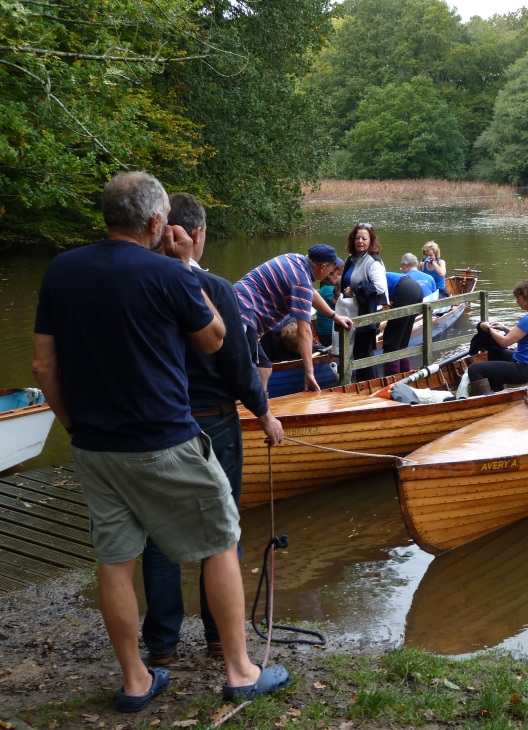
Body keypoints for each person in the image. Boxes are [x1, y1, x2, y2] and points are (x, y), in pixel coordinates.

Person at [32, 171, 289, 712]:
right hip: (166, 440)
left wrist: (74, 426)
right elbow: (216, 338)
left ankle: (136, 681)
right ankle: (241, 670)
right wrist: (183, 267)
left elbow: (44, 365)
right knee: (221, 540)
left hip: (94, 447)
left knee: (116, 558)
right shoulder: (169, 273)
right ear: (155, 222)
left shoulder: (62, 270)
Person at [140, 192, 284, 668]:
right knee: (221, 533)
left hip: (155, 424)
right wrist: (264, 414)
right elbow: (240, 366)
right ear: (196, 235)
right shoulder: (218, 290)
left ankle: (160, 645)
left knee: (159, 537)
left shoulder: (136, 286)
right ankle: (220, 639)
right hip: (213, 424)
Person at [235, 244, 351, 392]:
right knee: (247, 373)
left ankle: (262, 409)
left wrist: (335, 316)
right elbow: (304, 332)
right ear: (323, 267)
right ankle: (245, 410)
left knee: (264, 368)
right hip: (242, 315)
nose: (331, 272)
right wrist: (309, 372)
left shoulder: (294, 258)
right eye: (332, 268)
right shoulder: (300, 281)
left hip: (239, 308)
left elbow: (310, 292)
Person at [467, 279, 528, 394]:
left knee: (474, 369)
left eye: (519, 298)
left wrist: (488, 328)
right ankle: (497, 387)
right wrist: (505, 328)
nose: (517, 302)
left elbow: (504, 342)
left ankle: (486, 400)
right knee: (495, 352)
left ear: (526, 299)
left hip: (525, 369)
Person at [341, 223, 388, 381]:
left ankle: (369, 385)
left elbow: (380, 288)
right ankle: (357, 383)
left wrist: (355, 289)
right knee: (354, 350)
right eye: (357, 238)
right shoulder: (351, 259)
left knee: (364, 351)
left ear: (371, 240)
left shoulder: (373, 262)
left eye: (364, 238)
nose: (360, 241)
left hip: (367, 311)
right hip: (351, 310)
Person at [382, 269, 424, 376]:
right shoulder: (377, 273)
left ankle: (392, 380)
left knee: (391, 341)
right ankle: (405, 376)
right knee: (402, 340)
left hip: (405, 290)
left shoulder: (369, 278)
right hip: (416, 289)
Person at [316, 264, 343, 347]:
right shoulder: (329, 289)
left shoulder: (324, 287)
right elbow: (343, 305)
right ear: (329, 275)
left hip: (322, 330)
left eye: (342, 274)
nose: (341, 277)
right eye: (338, 274)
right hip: (329, 330)